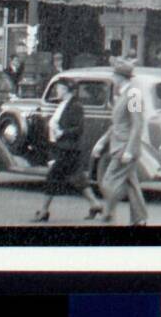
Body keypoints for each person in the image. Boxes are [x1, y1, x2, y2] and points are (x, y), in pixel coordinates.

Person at [32, 78, 103, 222]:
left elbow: (79, 128)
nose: (57, 90)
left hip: (67, 148)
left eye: (59, 88)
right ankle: (95, 204)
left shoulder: (75, 106)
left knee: (52, 177)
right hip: (63, 147)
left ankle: (44, 211)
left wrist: (62, 133)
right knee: (78, 178)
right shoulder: (63, 104)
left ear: (67, 90)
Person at [100, 59, 148, 226]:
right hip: (119, 145)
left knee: (108, 181)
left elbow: (137, 123)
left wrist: (129, 149)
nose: (112, 77)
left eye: (114, 74)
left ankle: (108, 212)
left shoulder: (133, 94)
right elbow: (117, 123)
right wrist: (102, 141)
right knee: (131, 184)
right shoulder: (123, 94)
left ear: (121, 77)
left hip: (124, 147)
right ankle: (139, 219)